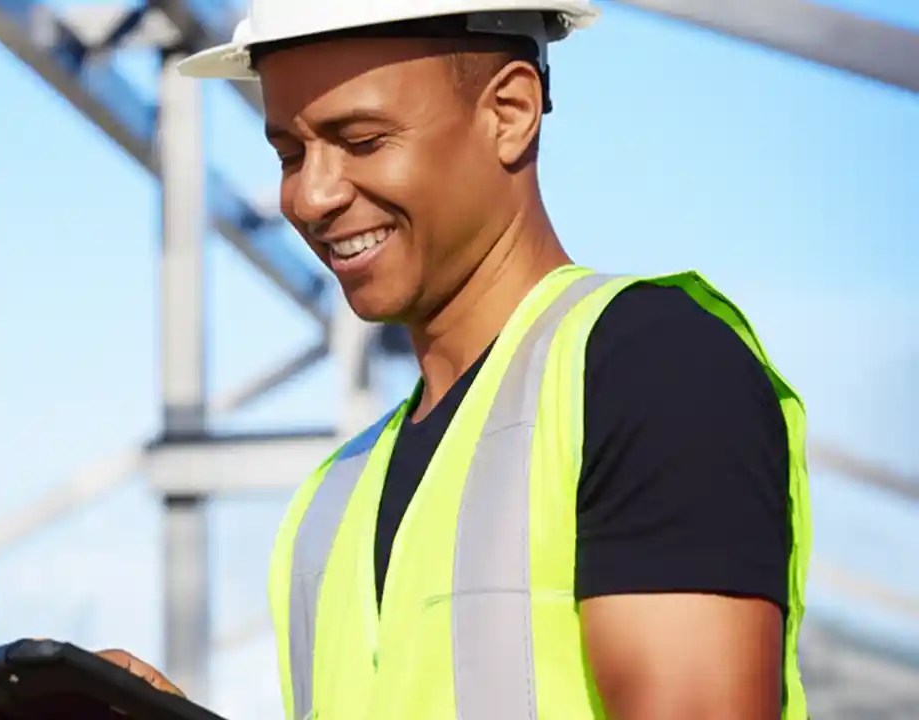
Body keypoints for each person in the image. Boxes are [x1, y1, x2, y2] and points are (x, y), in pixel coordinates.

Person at [97, 1, 812, 717]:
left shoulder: (655, 370)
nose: (309, 196)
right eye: (289, 154)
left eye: (363, 140)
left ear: (510, 112)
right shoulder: (335, 497)